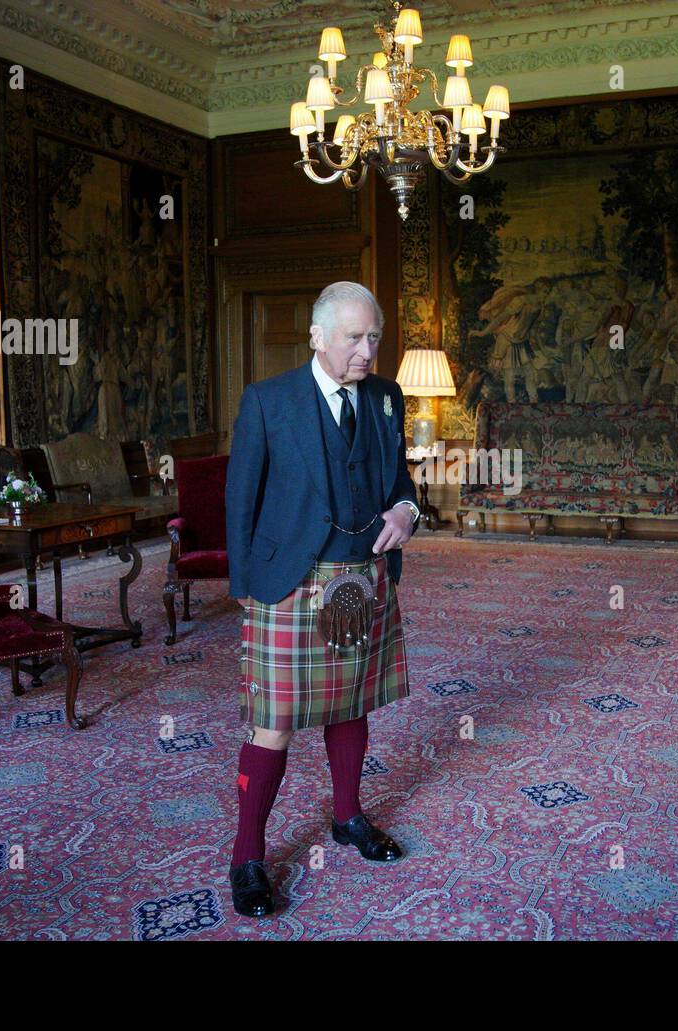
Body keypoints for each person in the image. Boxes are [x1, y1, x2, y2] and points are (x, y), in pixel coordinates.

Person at [224, 281, 422, 918]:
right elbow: (239, 501)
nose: (366, 351)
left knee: (351, 704)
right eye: (353, 338)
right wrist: (249, 592)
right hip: (289, 581)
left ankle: (347, 817)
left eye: (374, 338)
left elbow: (400, 482)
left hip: (363, 577)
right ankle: (247, 855)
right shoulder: (268, 402)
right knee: (274, 721)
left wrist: (407, 510)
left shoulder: (387, 399)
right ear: (316, 336)